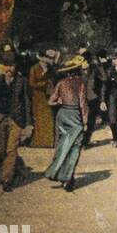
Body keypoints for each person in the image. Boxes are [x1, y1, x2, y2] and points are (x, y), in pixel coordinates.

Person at [0, 47, 32, 191]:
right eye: (6, 65)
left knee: (11, 148)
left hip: (16, 119)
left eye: (12, 65)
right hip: (0, 119)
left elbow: (26, 101)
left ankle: (6, 179)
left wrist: (29, 123)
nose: (9, 68)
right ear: (1, 66)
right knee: (3, 150)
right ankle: (18, 167)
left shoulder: (21, 80)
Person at [45, 55, 90, 192]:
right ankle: (68, 178)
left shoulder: (61, 83)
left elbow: (50, 101)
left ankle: (57, 173)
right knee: (75, 147)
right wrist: (85, 121)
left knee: (63, 145)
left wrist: (60, 101)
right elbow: (83, 104)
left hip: (63, 115)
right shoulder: (81, 84)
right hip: (75, 115)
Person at [27, 48, 58, 148]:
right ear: (42, 58)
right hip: (38, 98)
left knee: (48, 118)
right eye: (48, 58)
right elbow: (32, 83)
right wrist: (44, 83)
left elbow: (53, 80)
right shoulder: (34, 68)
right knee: (39, 119)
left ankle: (48, 142)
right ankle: (39, 142)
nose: (49, 61)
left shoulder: (50, 69)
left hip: (48, 97)